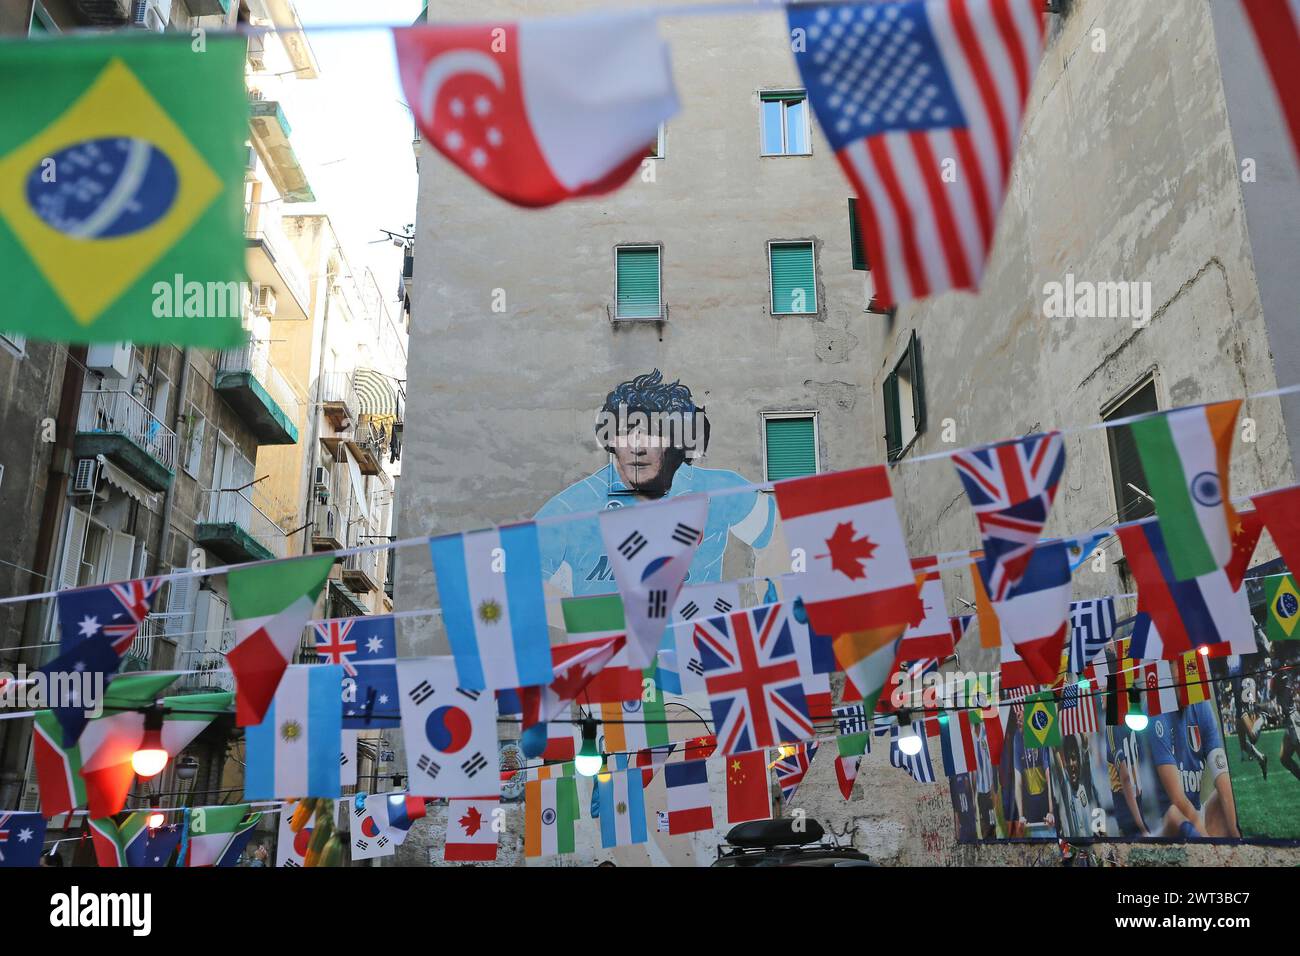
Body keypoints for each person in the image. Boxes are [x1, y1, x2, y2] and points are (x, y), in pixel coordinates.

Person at [535, 370, 775, 596]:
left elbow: (781, 537)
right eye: (626, 432)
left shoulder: (718, 489)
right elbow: (516, 581)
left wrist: (771, 608)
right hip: (614, 640)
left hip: (694, 637)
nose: (637, 447)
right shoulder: (573, 506)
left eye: (652, 433)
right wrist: (582, 622)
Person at [1148, 700, 1239, 839]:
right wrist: (1207, 842)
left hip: (1196, 815)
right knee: (1174, 813)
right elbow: (1177, 799)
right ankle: (1208, 849)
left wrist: (1236, 836)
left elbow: (1221, 772)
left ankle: (1220, 849)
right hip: (1164, 822)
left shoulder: (1201, 704)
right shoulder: (1156, 705)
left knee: (1231, 786)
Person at [1238, 675, 1268, 778]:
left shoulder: (1245, 678)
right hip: (1240, 706)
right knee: (1242, 743)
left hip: (1242, 706)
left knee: (1253, 739)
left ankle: (1263, 718)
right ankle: (1261, 758)